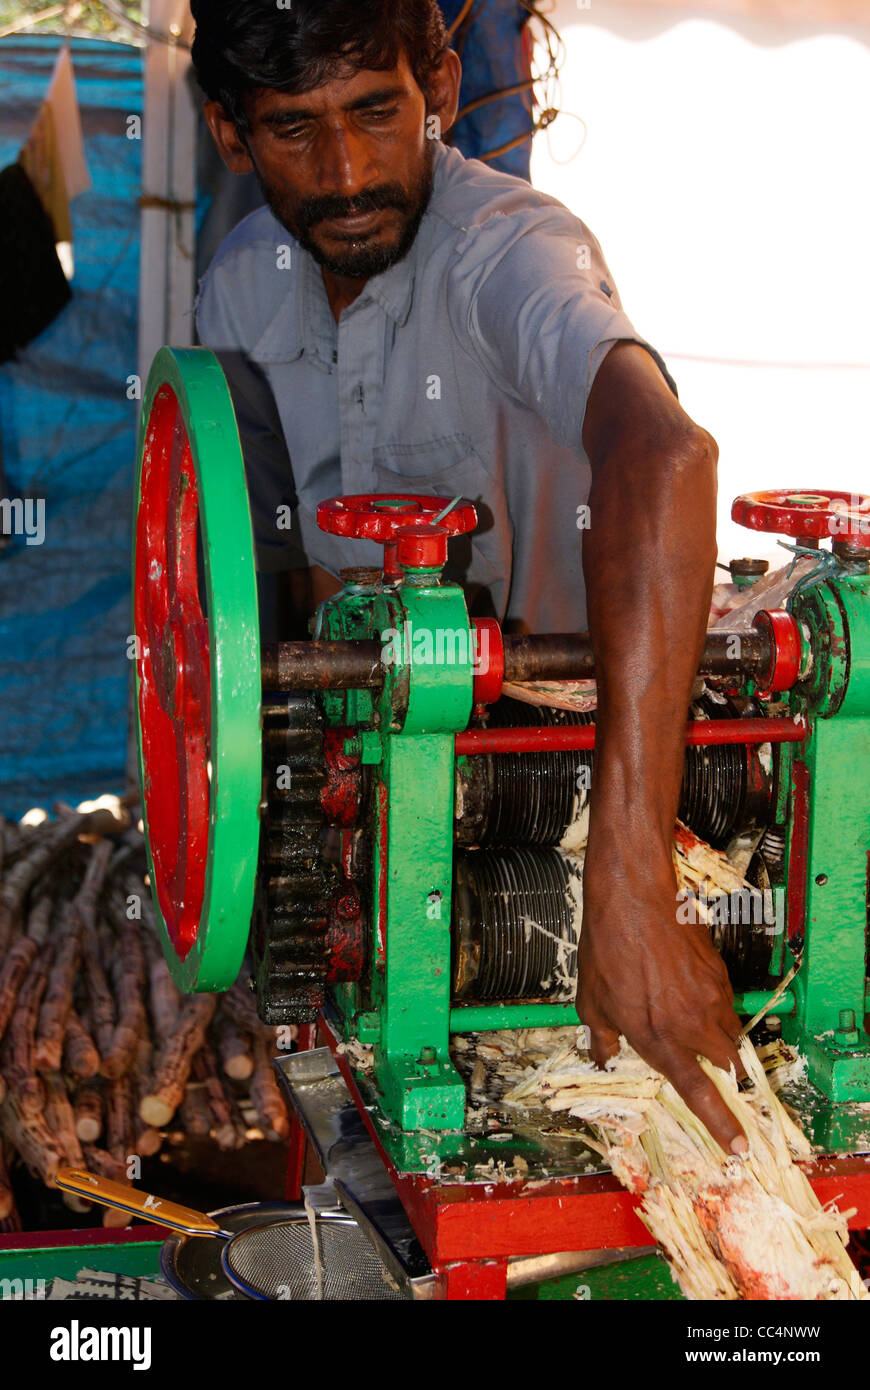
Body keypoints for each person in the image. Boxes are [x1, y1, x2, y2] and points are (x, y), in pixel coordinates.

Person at [190, 0, 747, 1155]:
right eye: (294, 130)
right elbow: (264, 580)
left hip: (579, 813)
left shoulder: (510, 249)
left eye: (376, 112)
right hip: (376, 836)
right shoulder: (240, 286)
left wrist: (633, 887)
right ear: (229, 135)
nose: (345, 173)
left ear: (439, 88)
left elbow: (664, 454)